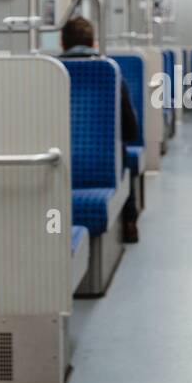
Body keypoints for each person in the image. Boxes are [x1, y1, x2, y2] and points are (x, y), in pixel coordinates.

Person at [60, 17, 141, 243]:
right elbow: (130, 130)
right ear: (94, 43)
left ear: (62, 42)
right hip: (99, 166)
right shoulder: (109, 74)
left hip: (55, 170)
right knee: (121, 153)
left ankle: (51, 231)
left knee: (53, 206)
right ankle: (129, 222)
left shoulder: (48, 75)